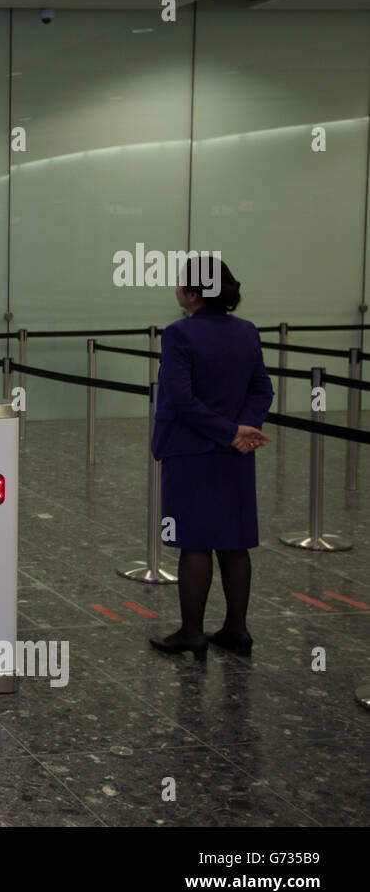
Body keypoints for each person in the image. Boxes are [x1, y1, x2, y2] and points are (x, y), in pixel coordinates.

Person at [149, 256, 273, 660]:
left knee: (195, 543)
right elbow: (261, 390)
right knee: (235, 544)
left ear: (192, 293)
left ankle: (191, 632)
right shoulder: (247, 332)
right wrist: (244, 429)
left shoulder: (178, 335)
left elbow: (181, 400)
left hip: (192, 450)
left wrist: (228, 431)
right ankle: (237, 629)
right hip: (236, 453)